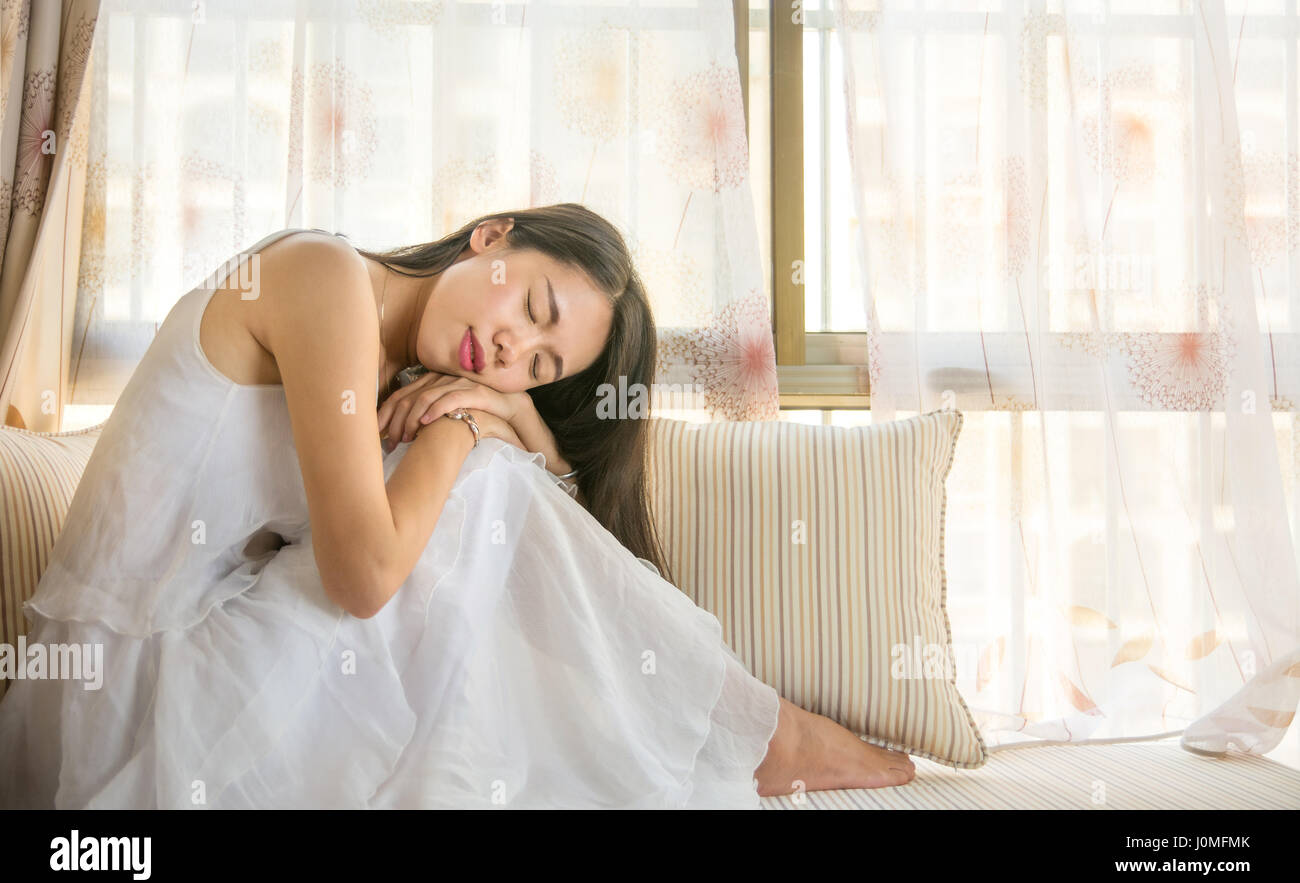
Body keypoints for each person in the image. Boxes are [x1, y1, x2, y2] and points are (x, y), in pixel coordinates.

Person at [0, 203, 915, 808]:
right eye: (536, 306)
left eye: (540, 366)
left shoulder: (407, 374)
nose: (512, 347)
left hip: (189, 664)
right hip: (120, 699)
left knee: (477, 485)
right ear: (491, 237)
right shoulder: (323, 278)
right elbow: (362, 578)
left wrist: (512, 418)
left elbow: (533, 492)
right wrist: (467, 434)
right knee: (467, 483)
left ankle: (735, 732)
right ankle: (762, 734)